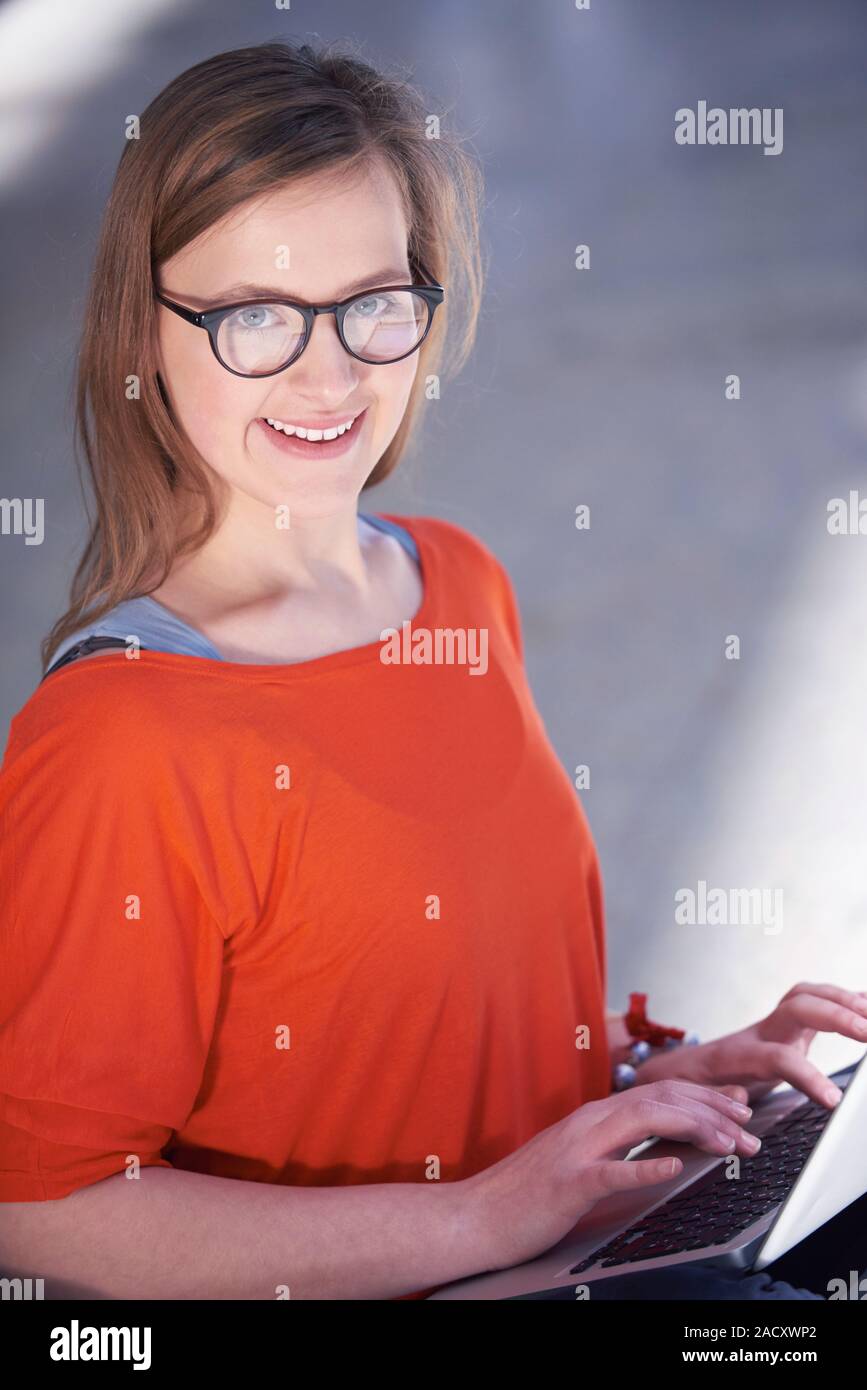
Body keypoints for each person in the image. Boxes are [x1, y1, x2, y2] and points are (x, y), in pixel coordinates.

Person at [0, 39, 864, 1303]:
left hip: (573, 1256)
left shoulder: (455, 580)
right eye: (255, 316)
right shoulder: (120, 737)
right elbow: (42, 1205)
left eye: (374, 301)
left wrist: (639, 1087)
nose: (330, 370)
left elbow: (428, 1027)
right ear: (145, 331)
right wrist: (478, 1219)